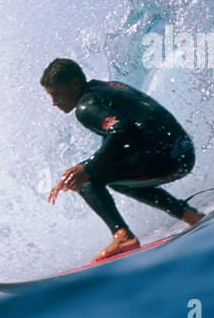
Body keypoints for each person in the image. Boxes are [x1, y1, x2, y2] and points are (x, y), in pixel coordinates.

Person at [41, 58, 204, 261]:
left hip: (167, 158)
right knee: (112, 177)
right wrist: (87, 166)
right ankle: (190, 216)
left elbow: (120, 131)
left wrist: (86, 169)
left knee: (89, 180)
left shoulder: (86, 107)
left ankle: (122, 235)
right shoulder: (105, 88)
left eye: (56, 94)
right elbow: (121, 139)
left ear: (75, 84)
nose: (54, 103)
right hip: (183, 153)